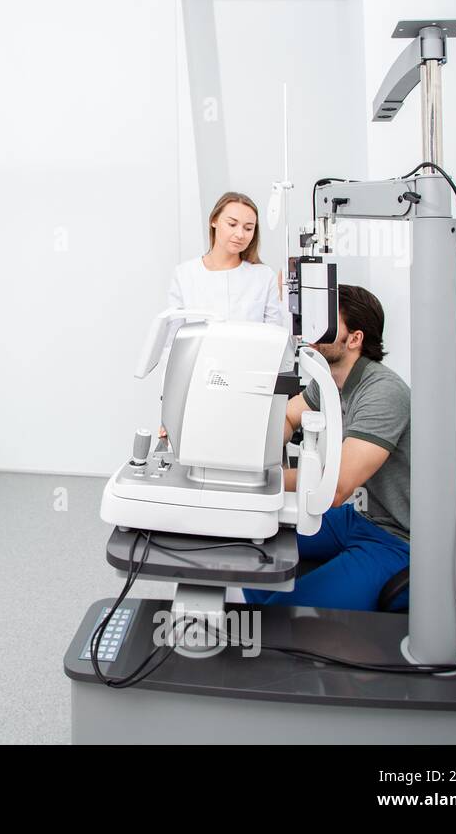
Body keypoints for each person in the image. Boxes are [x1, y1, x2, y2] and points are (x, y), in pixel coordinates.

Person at [244, 284, 412, 612]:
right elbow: (289, 418)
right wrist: (256, 450)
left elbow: (332, 488)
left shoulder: (383, 393)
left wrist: (263, 476)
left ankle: (285, 633)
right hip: (358, 518)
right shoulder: (332, 382)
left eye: (327, 323)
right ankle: (274, 633)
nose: (314, 331)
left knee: (285, 614)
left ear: (354, 339)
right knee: (250, 549)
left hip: (397, 540)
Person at [167, 191, 286, 336]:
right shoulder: (185, 274)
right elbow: (172, 340)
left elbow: (275, 337)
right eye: (232, 224)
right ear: (214, 221)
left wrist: (285, 303)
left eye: (248, 228)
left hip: (250, 358)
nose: (240, 234)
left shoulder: (264, 276)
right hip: (201, 359)